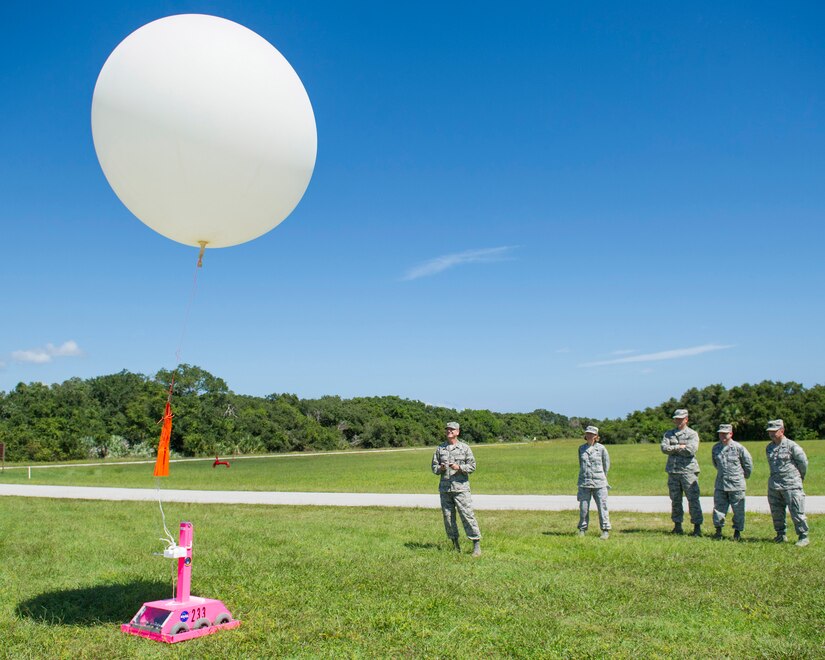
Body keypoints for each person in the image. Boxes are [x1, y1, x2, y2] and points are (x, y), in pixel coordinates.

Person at [432, 422, 482, 556]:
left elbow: (472, 466)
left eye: (452, 429)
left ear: (458, 432)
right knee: (448, 518)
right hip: (445, 489)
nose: (449, 431)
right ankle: (455, 545)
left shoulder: (464, 448)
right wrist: (441, 468)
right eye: (447, 429)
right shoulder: (440, 449)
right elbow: (434, 468)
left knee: (467, 515)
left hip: (461, 489)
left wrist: (459, 467)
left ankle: (476, 544)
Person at [765, 419, 809, 547]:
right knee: (777, 512)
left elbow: (803, 463)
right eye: (770, 432)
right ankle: (780, 535)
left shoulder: (792, 446)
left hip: (791, 484)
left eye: (774, 431)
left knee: (797, 511)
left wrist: (799, 478)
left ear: (782, 431)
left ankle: (803, 536)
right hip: (774, 485)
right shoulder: (769, 448)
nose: (771, 434)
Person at [661, 409, 703, 536]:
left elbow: (691, 450)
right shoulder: (669, 434)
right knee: (675, 500)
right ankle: (677, 525)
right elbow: (664, 448)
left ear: (686, 419)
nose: (678, 421)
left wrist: (673, 448)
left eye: (681, 419)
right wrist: (680, 447)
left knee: (693, 499)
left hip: (688, 471)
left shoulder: (692, 434)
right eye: (676, 419)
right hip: (673, 471)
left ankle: (697, 527)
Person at [711, 423, 753, 541]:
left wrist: (743, 476)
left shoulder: (738, 448)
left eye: (725, 433)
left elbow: (748, 464)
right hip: (721, 484)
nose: (723, 436)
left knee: (738, 510)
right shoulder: (716, 448)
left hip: (736, 485)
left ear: (731, 434)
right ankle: (718, 531)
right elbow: (716, 464)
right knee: (718, 509)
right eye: (721, 433)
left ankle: (737, 532)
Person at [576, 425, 611, 540]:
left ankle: (605, 530)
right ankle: (582, 529)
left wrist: (602, 477)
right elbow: (581, 464)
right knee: (584, 508)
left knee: (602, 507)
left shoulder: (601, 449)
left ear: (596, 436)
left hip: (599, 483)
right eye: (587, 433)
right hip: (584, 482)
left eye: (592, 434)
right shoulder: (581, 449)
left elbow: (606, 465)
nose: (589, 435)